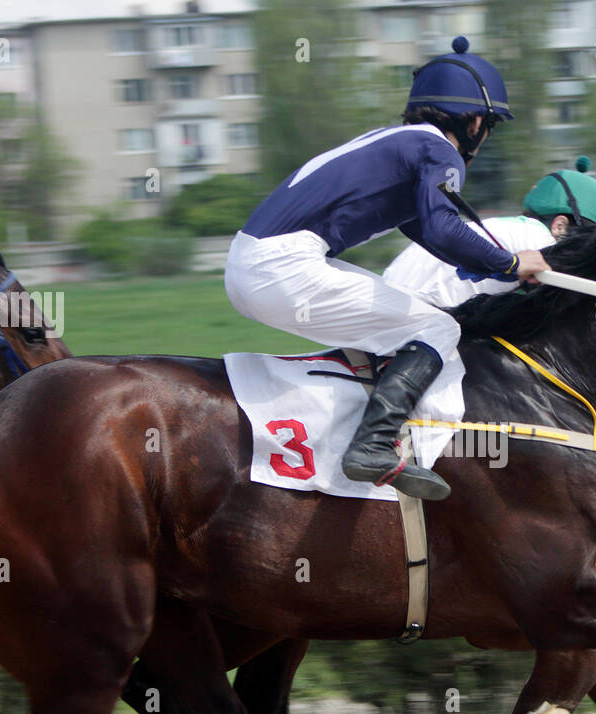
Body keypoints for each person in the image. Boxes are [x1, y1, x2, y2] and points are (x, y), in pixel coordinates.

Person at [225, 37, 550, 500]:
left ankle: (365, 428)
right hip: (280, 269)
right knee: (437, 330)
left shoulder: (401, 143)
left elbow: (424, 228)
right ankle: (373, 444)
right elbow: (440, 227)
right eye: (489, 126)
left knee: (413, 318)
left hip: (257, 265)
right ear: (475, 122)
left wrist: (499, 271)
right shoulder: (439, 152)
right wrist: (513, 262)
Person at [384, 156, 596, 307]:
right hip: (410, 306)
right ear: (560, 226)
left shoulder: (516, 229)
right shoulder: (540, 241)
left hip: (400, 295)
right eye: (585, 242)